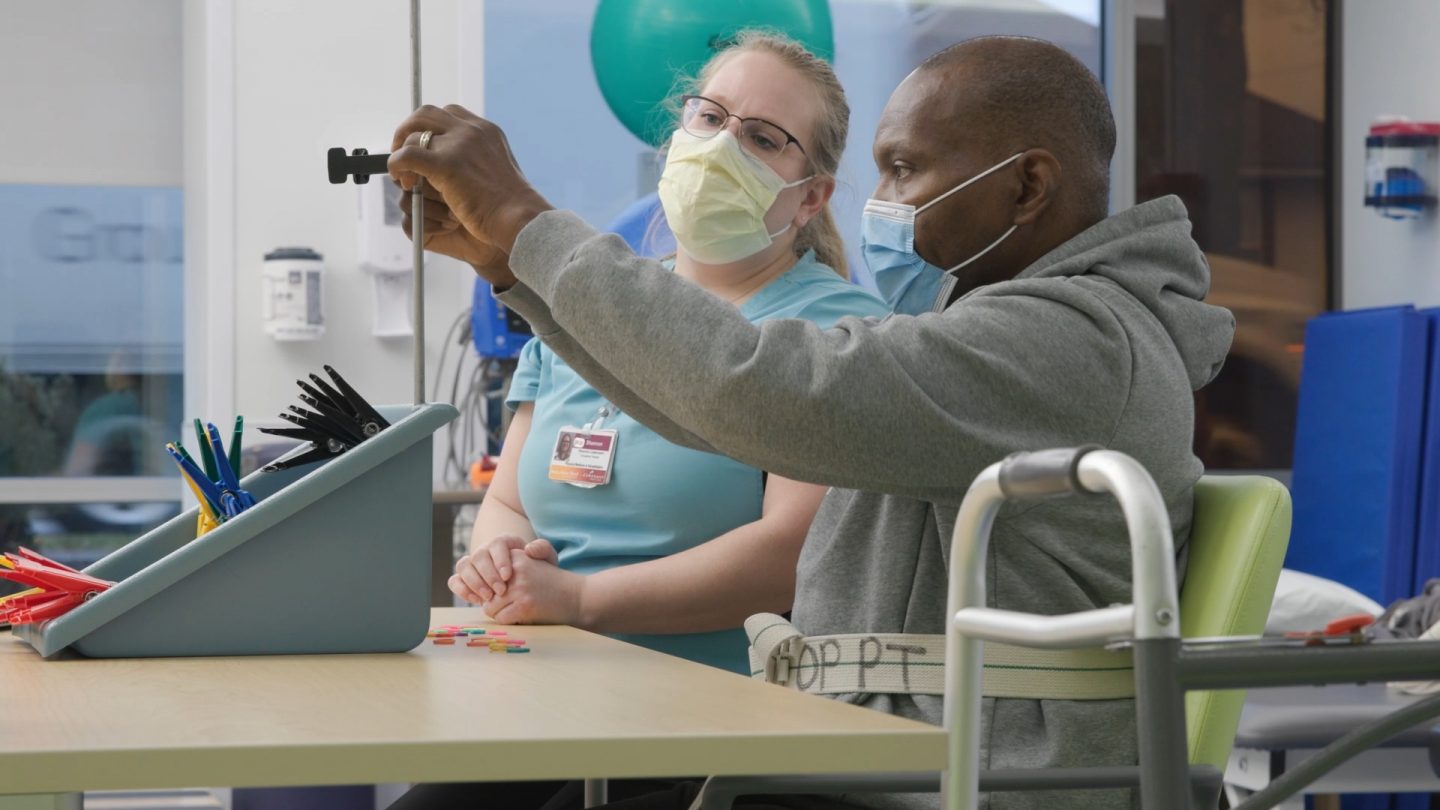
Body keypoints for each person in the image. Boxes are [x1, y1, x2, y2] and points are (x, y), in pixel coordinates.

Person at [389, 34, 1234, 810]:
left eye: (904, 170)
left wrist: (526, 222)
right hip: (877, 750)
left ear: (1027, 186)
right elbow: (713, 415)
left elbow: (765, 393)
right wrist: (512, 264)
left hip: (960, 777)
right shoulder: (1010, 328)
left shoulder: (1070, 341)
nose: (886, 204)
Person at [387, 31, 887, 810]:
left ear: (811, 197)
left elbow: (790, 554)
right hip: (541, 696)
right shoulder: (591, 298)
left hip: (708, 719)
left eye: (762, 139)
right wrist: (500, 563)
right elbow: (509, 498)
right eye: (709, 118)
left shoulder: (837, 332)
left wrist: (582, 600)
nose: (721, 147)